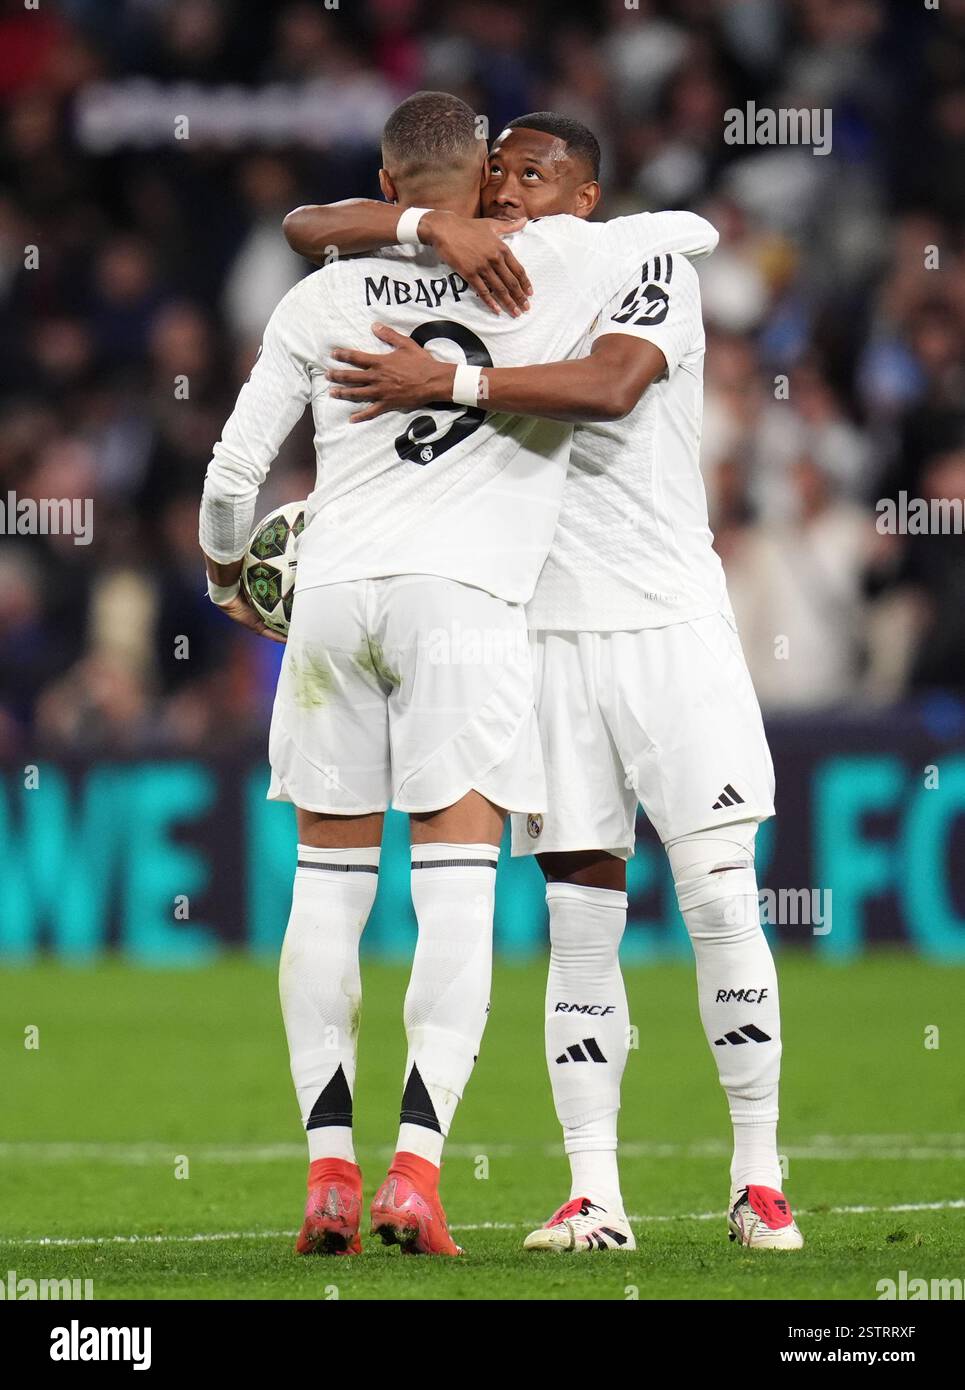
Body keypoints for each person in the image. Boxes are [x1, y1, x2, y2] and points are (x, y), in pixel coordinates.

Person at [200, 91, 718, 1257]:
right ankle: (414, 1176)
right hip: (467, 611)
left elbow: (236, 472)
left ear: (385, 187)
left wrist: (232, 573)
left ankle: (327, 1170)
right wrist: (558, 233)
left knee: (324, 894)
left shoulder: (323, 289)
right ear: (485, 174)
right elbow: (689, 235)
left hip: (332, 596)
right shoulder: (553, 268)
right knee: (455, 894)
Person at [290, 112, 802, 1252]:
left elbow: (614, 384)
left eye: (535, 172)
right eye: (497, 170)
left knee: (720, 902)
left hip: (670, 628)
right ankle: (592, 1196)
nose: (510, 186)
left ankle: (758, 1176)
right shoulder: (472, 259)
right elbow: (312, 225)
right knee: (578, 925)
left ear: (583, 195)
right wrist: (430, 223)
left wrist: (453, 380)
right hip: (544, 642)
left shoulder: (639, 261)